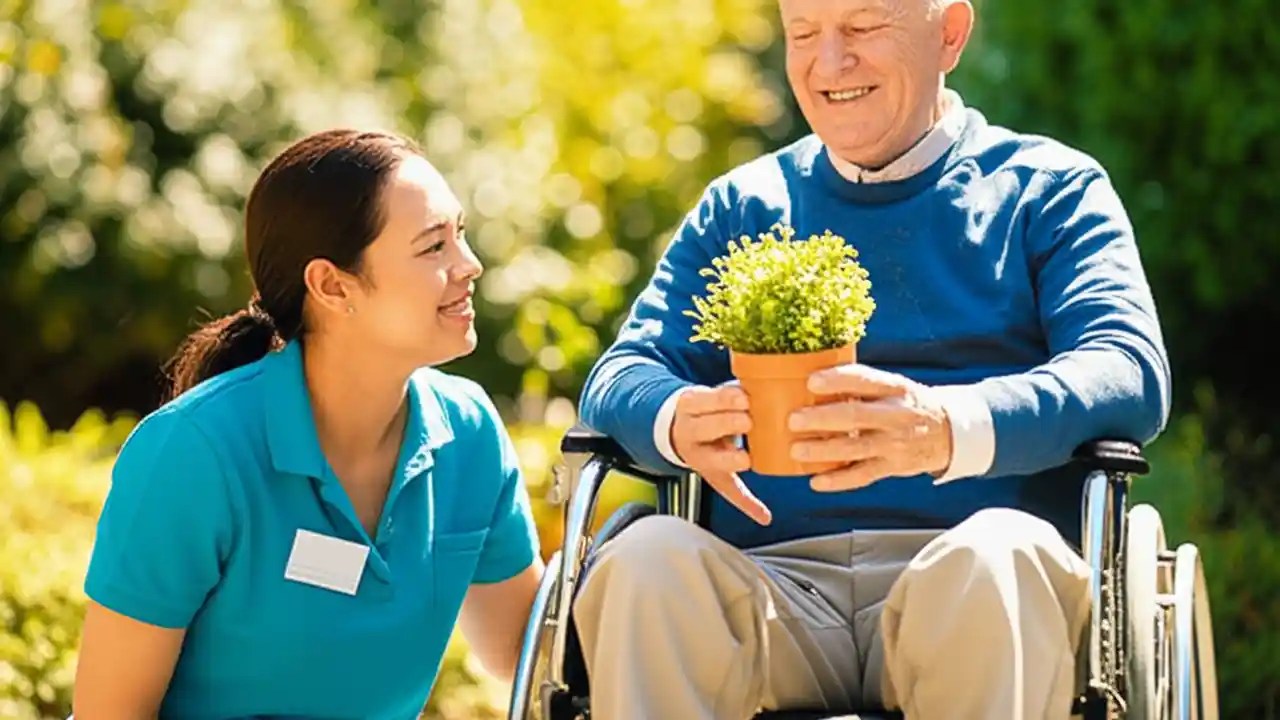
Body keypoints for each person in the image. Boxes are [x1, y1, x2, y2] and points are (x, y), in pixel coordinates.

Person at [573, 0, 1171, 718]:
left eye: (861, 28)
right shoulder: (743, 205)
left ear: (949, 33)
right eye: (804, 35)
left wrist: (947, 426)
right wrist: (675, 417)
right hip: (770, 589)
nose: (829, 64)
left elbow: (1127, 368)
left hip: (969, 583)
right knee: (642, 564)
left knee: (997, 557)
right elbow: (620, 372)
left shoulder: (1049, 189)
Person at [72, 129, 543, 719]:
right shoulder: (193, 453)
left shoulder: (469, 434)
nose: (469, 265)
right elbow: (108, 713)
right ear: (331, 285)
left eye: (461, 236)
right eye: (433, 247)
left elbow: (526, 655)